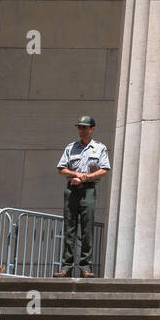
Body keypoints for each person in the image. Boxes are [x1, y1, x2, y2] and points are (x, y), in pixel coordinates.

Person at [54, 115, 110, 277]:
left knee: (87, 229)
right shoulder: (71, 147)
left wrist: (86, 177)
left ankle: (85, 267)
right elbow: (61, 169)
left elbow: (104, 169)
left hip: (88, 191)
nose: (81, 130)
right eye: (79, 127)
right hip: (72, 190)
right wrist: (77, 174)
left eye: (84, 127)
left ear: (92, 129)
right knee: (69, 228)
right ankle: (66, 267)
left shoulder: (99, 148)